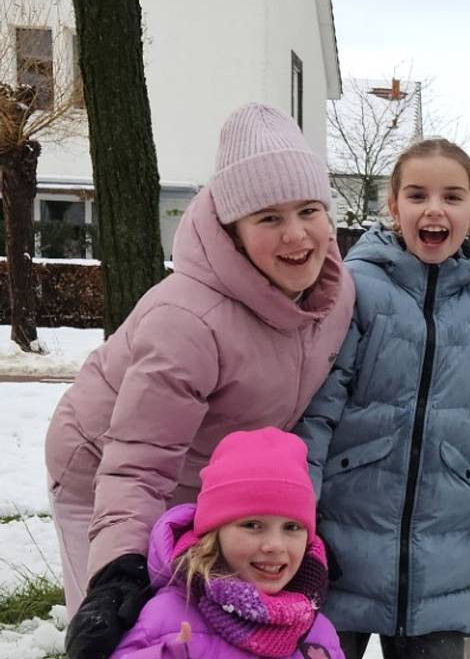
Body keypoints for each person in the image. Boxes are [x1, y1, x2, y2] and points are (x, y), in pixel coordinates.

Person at [48, 104, 354, 658]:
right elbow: (136, 465)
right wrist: (117, 573)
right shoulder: (188, 322)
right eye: (267, 218)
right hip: (104, 467)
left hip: (215, 473)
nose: (296, 235)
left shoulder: (336, 297)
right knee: (140, 626)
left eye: (309, 210)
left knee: (217, 626)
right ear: (232, 230)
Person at [296, 139, 470, 659]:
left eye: (452, 197)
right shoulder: (357, 285)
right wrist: (296, 520)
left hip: (443, 552)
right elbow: (317, 412)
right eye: (417, 195)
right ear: (394, 207)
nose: (434, 209)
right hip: (339, 538)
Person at [111, 427, 344, 659]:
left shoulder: (318, 632)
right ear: (215, 532)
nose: (275, 545)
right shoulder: (168, 616)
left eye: (291, 527)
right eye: (252, 525)